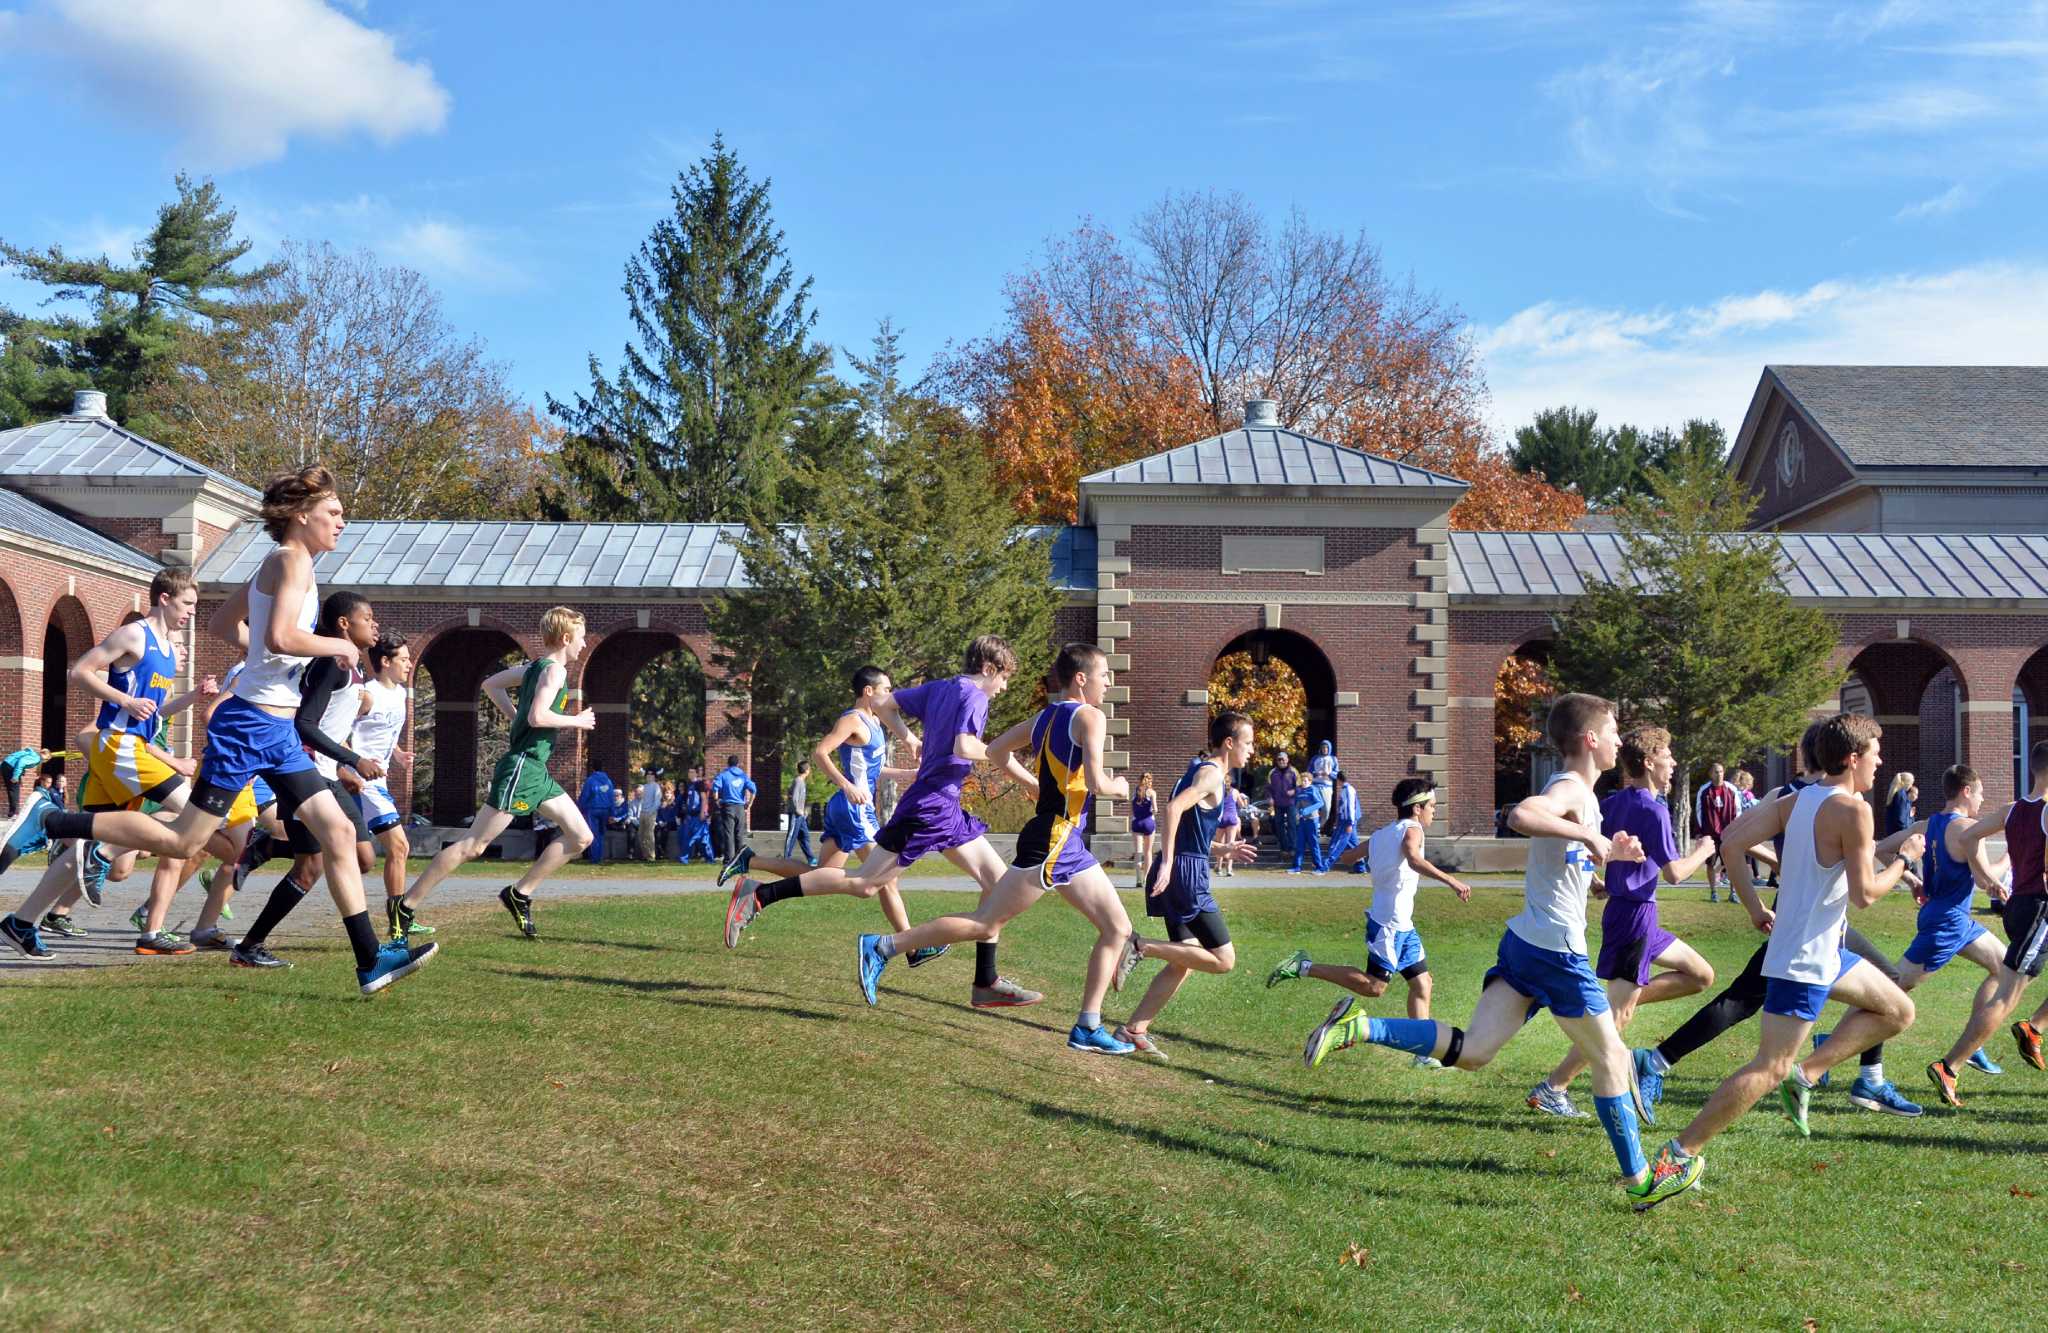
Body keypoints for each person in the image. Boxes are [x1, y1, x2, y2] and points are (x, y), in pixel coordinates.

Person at [0, 466, 435, 994]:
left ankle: (370, 961)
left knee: (339, 832)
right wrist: (335, 645)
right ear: (303, 515)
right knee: (184, 842)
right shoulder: (292, 560)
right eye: (334, 512)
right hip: (250, 725)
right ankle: (53, 821)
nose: (342, 521)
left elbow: (222, 625)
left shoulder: (283, 563)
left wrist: (264, 661)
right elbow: (279, 636)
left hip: (273, 728)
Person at [1301, 694, 1695, 1212]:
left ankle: (1360, 1026)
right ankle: (1642, 1180)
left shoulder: (1588, 796)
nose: (1621, 740)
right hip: (1556, 953)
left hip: (1525, 943)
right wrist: (1586, 833)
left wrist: (1603, 861)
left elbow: (1565, 858)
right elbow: (1524, 815)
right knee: (1613, 1058)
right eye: (1614, 730)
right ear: (1590, 739)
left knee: (1473, 1052)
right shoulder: (1570, 788)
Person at [1657, 714, 1921, 1178]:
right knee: (1769, 1066)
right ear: (1854, 758)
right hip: (1805, 959)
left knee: (1897, 1011)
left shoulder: (1797, 800)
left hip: (1824, 950)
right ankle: (1678, 1155)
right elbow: (1865, 894)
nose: (1881, 764)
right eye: (1876, 755)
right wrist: (1903, 860)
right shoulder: (1854, 809)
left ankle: (1809, 1075)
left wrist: (1755, 909)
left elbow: (1732, 842)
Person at [854, 643, 1140, 1050]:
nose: (1109, 682)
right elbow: (1096, 783)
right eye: (1105, 674)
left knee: (1118, 927)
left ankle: (1087, 1027)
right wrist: (1120, 786)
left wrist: (1035, 784)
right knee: (987, 922)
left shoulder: (1044, 717)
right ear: (1082, 678)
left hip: (1061, 839)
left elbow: (997, 750)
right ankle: (884, 946)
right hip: (1055, 841)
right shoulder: (1091, 717)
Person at [730, 640, 1039, 1008]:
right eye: (1003, 678)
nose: (1003, 687)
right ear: (989, 668)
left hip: (946, 806)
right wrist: (1013, 764)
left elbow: (883, 704)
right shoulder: (975, 696)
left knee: (998, 885)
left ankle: (985, 981)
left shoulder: (940, 687)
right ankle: (763, 896)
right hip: (930, 808)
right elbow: (962, 746)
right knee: (864, 884)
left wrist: (910, 738)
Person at [0, 567, 216, 957]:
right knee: (190, 815)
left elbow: (155, 714)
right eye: (187, 604)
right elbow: (80, 670)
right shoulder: (136, 634)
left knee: (90, 851)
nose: (191, 612)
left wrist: (193, 698)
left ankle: (21, 922)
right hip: (120, 746)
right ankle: (48, 820)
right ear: (164, 598)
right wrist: (123, 701)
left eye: (195, 606)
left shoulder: (168, 652)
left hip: (127, 747)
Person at [1525, 726, 1719, 1116]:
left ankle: (1611, 1003)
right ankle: (1553, 1087)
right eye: (1668, 756)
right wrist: (1704, 850)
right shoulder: (1654, 808)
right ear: (1649, 763)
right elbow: (1675, 873)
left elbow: (1588, 846)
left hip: (1631, 914)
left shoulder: (1613, 803)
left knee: (1701, 976)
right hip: (1635, 918)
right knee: (1615, 1018)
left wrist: (1600, 881)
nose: (1674, 763)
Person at [392, 606, 597, 940]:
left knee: (581, 837)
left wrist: (516, 715)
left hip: (535, 771)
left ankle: (520, 893)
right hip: (521, 767)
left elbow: (491, 684)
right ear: (565, 638)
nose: (584, 644)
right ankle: (406, 906)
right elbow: (538, 718)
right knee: (473, 845)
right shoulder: (554, 671)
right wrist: (577, 721)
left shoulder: (535, 667)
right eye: (581, 637)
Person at [226, 591, 385, 968]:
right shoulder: (334, 663)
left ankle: (267, 849)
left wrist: (344, 766)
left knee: (362, 858)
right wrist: (354, 759)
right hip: (307, 772)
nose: (375, 624)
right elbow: (305, 724)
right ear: (344, 624)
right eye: (369, 618)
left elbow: (329, 722)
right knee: (311, 866)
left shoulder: (351, 664)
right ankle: (250, 946)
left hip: (329, 772)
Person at [1268, 778, 1472, 1069]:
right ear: (1416, 809)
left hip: (1403, 926)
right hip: (1388, 925)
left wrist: (1358, 852)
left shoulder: (1382, 833)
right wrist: (1452, 880)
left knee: (1422, 984)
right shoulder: (1413, 830)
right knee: (1375, 987)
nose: (1433, 812)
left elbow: (1349, 856)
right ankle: (1303, 966)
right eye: (1432, 807)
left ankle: (1422, 1055)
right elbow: (1413, 858)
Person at [1113, 713, 1264, 1057]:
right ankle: (1139, 947)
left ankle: (1133, 1029)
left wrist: (1222, 848)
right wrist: (1165, 864)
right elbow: (1173, 808)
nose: (1252, 750)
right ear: (1229, 743)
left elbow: (1188, 829)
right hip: (1186, 874)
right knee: (1223, 960)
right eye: (1248, 742)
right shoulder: (1211, 774)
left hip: (1183, 867)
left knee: (1184, 962)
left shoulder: (1199, 771)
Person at [1925, 739, 2048, 1089]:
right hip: (2038, 909)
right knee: (2007, 996)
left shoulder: (2011, 810)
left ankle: (2034, 1027)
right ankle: (1950, 1067)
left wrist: (1987, 877)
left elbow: (1971, 837)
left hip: (2020, 908)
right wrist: (1987, 877)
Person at [1899, 765, 2019, 1104]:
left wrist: (1912, 880)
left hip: (1958, 921)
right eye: (1980, 792)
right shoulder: (1967, 828)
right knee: (1890, 993)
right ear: (1966, 791)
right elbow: (1985, 881)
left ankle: (1975, 1043)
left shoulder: (1928, 824)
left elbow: (1884, 847)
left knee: (2006, 966)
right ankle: (1829, 1041)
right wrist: (2009, 857)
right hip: (1946, 925)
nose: (1982, 799)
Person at [348, 633, 428, 941]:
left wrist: (397, 755)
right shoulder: (366, 695)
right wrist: (351, 766)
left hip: (378, 780)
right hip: (362, 782)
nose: (409, 664)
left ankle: (260, 851)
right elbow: (338, 730)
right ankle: (399, 922)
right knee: (399, 846)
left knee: (341, 854)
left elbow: (387, 732)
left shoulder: (400, 694)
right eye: (404, 659)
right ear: (385, 661)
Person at [1695, 762, 1740, 901]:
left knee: (1731, 863)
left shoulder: (1731, 789)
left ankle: (1733, 893)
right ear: (1710, 774)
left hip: (1728, 832)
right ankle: (1714, 892)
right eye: (1715, 771)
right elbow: (1698, 812)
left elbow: (1738, 810)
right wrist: (1700, 832)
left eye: (1720, 771)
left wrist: (1736, 829)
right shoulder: (1704, 790)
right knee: (1710, 864)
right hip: (1710, 833)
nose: (1718, 774)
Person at [711, 756, 755, 875]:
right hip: (740, 808)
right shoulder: (743, 775)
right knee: (739, 834)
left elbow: (715, 787)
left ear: (728, 763)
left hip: (728, 806)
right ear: (738, 764)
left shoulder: (724, 775)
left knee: (728, 834)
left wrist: (716, 800)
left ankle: (729, 861)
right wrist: (749, 804)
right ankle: (740, 860)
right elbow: (754, 789)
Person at [673, 765, 715, 864]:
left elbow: (704, 799)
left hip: (698, 816)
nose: (690, 774)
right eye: (689, 772)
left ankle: (709, 858)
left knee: (703, 840)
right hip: (689, 817)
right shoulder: (688, 785)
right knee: (685, 837)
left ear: (696, 773)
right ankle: (684, 859)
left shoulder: (700, 784)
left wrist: (702, 813)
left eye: (692, 772)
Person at [1288, 775, 1327, 874]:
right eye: (1302, 780)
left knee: (1313, 844)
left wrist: (1307, 810)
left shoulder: (1313, 790)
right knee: (1300, 844)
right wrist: (1297, 813)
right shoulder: (1300, 790)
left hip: (1312, 820)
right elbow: (1296, 804)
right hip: (1302, 821)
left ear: (1310, 781)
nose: (1303, 782)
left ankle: (1319, 867)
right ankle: (1297, 867)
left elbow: (1320, 803)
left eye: (1305, 781)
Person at [1324, 771, 1362, 868]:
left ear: (1338, 780)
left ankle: (1326, 865)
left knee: (1338, 843)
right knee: (1353, 844)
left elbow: (1350, 808)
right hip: (1347, 820)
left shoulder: (1347, 790)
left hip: (1347, 821)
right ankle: (1360, 867)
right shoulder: (1346, 788)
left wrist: (1350, 823)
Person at [1, 745, 49, 817]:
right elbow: (21, 762)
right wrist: (16, 776)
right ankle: (13, 813)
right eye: (47, 759)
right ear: (44, 755)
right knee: (14, 790)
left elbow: (16, 759)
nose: (45, 761)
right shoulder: (36, 758)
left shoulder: (31, 753)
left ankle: (13, 812)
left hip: (6, 765)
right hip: (11, 768)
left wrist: (19, 775)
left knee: (11, 789)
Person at [782, 761, 815, 865]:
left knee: (804, 836)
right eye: (809, 768)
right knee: (792, 836)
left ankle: (811, 859)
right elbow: (794, 797)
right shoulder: (798, 781)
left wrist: (803, 810)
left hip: (801, 816)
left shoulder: (802, 782)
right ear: (806, 770)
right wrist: (798, 810)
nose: (810, 771)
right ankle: (786, 859)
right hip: (795, 815)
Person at [1129, 772, 1157, 892]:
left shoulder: (1135, 792)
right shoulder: (1152, 792)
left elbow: (1132, 810)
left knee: (1138, 852)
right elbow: (1155, 809)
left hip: (1137, 823)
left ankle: (1138, 879)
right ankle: (1146, 879)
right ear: (1150, 781)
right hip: (1149, 822)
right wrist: (1153, 811)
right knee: (1148, 852)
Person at [1267, 752, 1298, 854]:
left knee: (1292, 825)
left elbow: (1301, 786)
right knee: (1278, 825)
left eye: (1283, 759)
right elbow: (1268, 788)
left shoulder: (1294, 771)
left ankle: (1293, 848)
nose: (1281, 761)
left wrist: (1294, 791)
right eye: (1279, 759)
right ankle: (1284, 848)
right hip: (1277, 803)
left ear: (1287, 759)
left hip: (1291, 803)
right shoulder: (1272, 773)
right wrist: (1270, 797)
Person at [1882, 771, 1917, 839]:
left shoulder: (1895, 792)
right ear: (1906, 782)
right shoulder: (1901, 795)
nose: (1911, 786)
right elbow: (1900, 819)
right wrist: (1908, 831)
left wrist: (1910, 815)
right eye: (1911, 783)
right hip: (1898, 835)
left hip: (1891, 833)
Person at [1308, 740, 1337, 814]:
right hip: (1315, 786)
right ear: (1320, 748)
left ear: (1329, 748)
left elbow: (1337, 774)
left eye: (1327, 748)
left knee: (1326, 810)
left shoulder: (1333, 759)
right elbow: (1309, 772)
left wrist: (1329, 773)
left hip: (1327, 787)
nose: (1325, 749)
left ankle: (1320, 825)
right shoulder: (1315, 758)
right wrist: (1315, 773)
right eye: (1323, 747)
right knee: (1313, 809)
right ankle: (1315, 825)